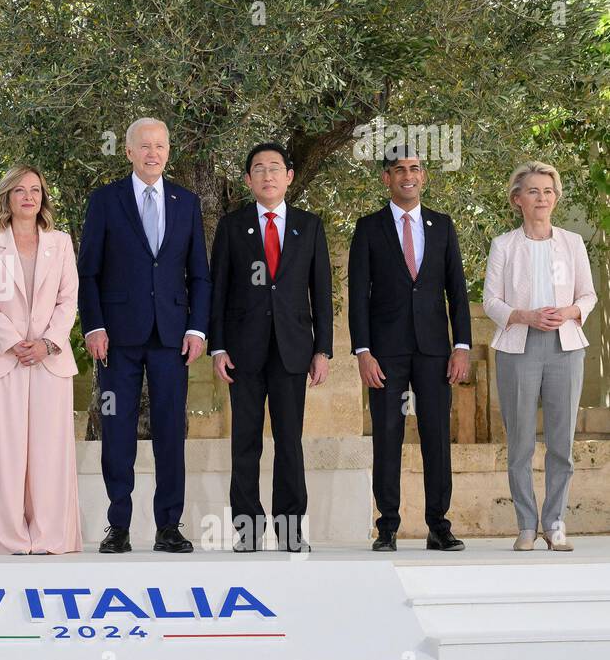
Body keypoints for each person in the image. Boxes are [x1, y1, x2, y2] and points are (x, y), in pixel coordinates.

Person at [78, 117, 211, 554]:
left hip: (172, 337)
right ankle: (118, 526)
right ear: (129, 151)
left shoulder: (186, 202)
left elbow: (199, 274)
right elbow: (88, 272)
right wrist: (94, 325)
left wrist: (197, 328)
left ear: (168, 151)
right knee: (117, 429)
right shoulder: (105, 200)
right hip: (117, 337)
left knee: (171, 430)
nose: (153, 153)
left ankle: (168, 526)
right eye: (145, 146)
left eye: (160, 146)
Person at [209, 142, 332, 553]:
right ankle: (247, 531)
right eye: (259, 168)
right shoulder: (232, 226)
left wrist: (323, 350)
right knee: (245, 442)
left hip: (293, 350)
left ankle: (291, 530)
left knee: (289, 442)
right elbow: (219, 291)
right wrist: (218, 347)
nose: (267, 175)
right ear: (248, 179)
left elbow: (321, 292)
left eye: (275, 167)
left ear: (289, 176)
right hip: (243, 352)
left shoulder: (309, 226)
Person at [348, 146, 471, 552]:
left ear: (423, 176)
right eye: (399, 169)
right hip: (385, 353)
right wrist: (363, 351)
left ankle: (439, 526)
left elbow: (457, 292)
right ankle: (387, 527)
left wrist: (461, 346)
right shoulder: (368, 228)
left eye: (415, 168)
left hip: (435, 351)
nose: (408, 175)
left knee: (436, 436)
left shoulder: (443, 226)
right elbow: (358, 296)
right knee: (387, 437)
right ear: (387, 178)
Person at [482, 162, 596, 552]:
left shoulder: (573, 243)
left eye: (548, 191)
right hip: (518, 348)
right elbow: (491, 301)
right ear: (518, 199)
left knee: (562, 443)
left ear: (556, 198)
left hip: (566, 348)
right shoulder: (503, 245)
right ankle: (527, 526)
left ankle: (555, 525)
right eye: (533, 191)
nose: (542, 198)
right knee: (520, 443)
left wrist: (569, 311)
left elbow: (588, 295)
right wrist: (526, 316)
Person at [0, 165, 81, 555]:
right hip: (4, 360)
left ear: (43, 197)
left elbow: (69, 299)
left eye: (35, 189)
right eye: (20, 190)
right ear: (8, 197)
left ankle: (49, 536)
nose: (29, 196)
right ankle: (6, 538)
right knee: (5, 452)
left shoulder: (60, 243)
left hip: (50, 360)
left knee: (49, 452)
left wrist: (48, 343)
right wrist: (15, 343)